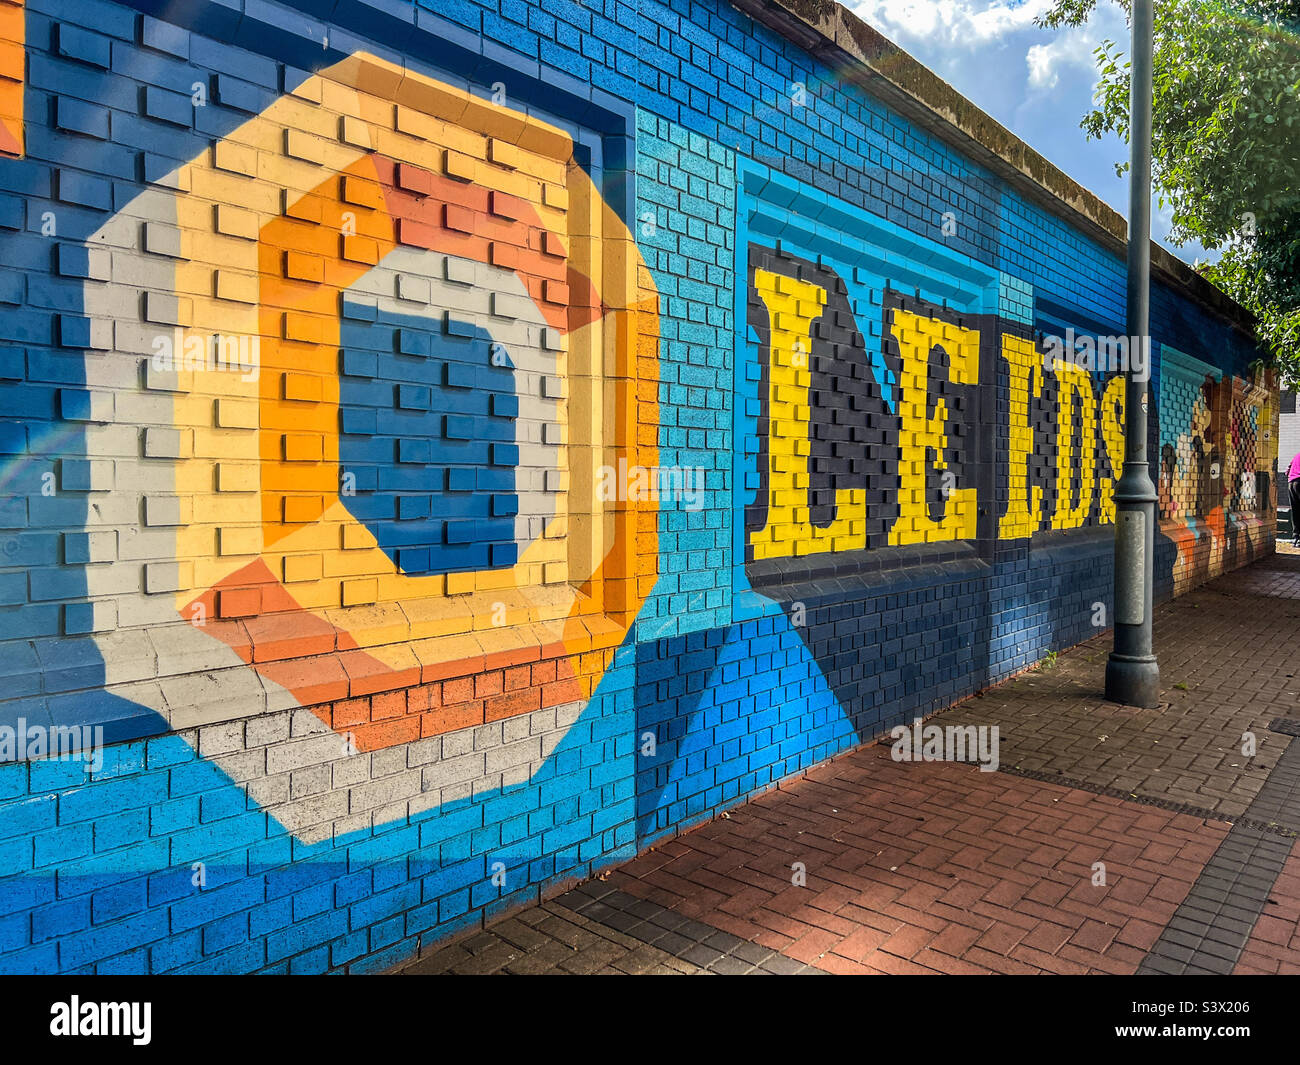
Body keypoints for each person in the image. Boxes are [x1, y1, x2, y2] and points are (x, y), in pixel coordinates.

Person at [1289, 450, 1300, 546]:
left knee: (1295, 510)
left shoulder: (1296, 455)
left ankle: (1296, 537)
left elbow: (1287, 471)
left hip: (1291, 483)